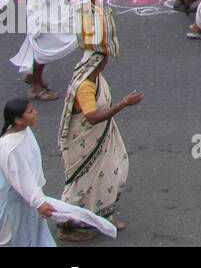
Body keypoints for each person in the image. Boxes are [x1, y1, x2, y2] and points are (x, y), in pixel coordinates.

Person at [1, 98, 116, 246]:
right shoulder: (9, 148)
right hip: (17, 203)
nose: (35, 113)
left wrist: (37, 200)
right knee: (19, 238)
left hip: (30, 198)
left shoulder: (25, 132)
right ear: (18, 120)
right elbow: (21, 179)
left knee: (35, 237)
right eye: (30, 112)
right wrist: (38, 202)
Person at [54, 51, 142, 241]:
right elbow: (92, 117)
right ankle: (66, 227)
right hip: (85, 142)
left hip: (102, 137)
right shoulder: (85, 86)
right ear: (99, 65)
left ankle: (101, 216)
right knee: (82, 183)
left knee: (112, 171)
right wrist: (123, 104)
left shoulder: (96, 79)